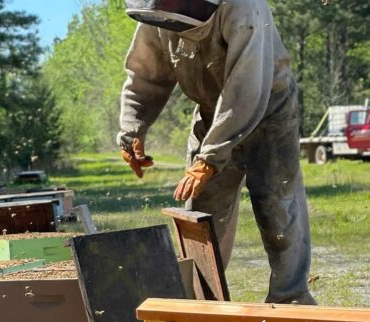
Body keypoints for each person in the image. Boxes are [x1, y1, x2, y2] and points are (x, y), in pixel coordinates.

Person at [118, 0, 316, 305]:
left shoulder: (244, 8)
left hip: (270, 111)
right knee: (201, 213)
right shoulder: (157, 11)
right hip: (211, 113)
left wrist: (209, 158)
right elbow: (146, 74)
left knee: (277, 206)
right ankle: (204, 303)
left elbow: (245, 88)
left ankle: (291, 299)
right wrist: (132, 128)